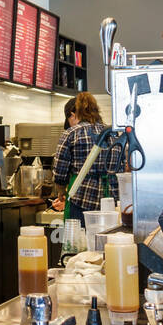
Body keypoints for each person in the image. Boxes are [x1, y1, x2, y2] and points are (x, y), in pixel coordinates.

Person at [51, 92, 127, 225]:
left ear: (73, 114)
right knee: (108, 242)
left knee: (80, 243)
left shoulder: (71, 133)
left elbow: (60, 172)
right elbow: (122, 167)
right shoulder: (113, 133)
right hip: (111, 202)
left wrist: (61, 192)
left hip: (81, 201)